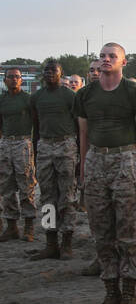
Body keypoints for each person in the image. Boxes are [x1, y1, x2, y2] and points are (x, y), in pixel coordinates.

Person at [73, 44, 136, 304]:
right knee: (101, 230)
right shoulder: (85, 95)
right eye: (102, 56)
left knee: (129, 231)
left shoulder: (135, 93)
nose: (105, 60)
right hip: (96, 161)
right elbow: (83, 135)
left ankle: (130, 293)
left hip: (125, 161)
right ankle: (111, 293)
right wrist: (83, 170)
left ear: (123, 62)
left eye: (112, 57)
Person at [28, 59, 80, 258]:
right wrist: (35, 153)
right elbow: (36, 126)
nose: (49, 73)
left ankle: (67, 242)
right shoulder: (37, 97)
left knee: (67, 196)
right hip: (44, 146)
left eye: (54, 70)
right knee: (47, 198)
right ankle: (51, 242)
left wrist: (79, 157)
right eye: (46, 70)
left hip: (66, 145)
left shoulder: (69, 96)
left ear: (61, 73)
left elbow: (78, 127)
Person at [0, 67, 38, 243]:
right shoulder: (2, 100)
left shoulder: (28, 100)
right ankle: (12, 226)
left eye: (17, 77)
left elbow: (35, 122)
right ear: (5, 80)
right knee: (6, 187)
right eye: (10, 77)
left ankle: (29, 226)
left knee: (26, 185)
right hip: (6, 142)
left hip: (23, 143)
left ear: (22, 80)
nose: (14, 79)